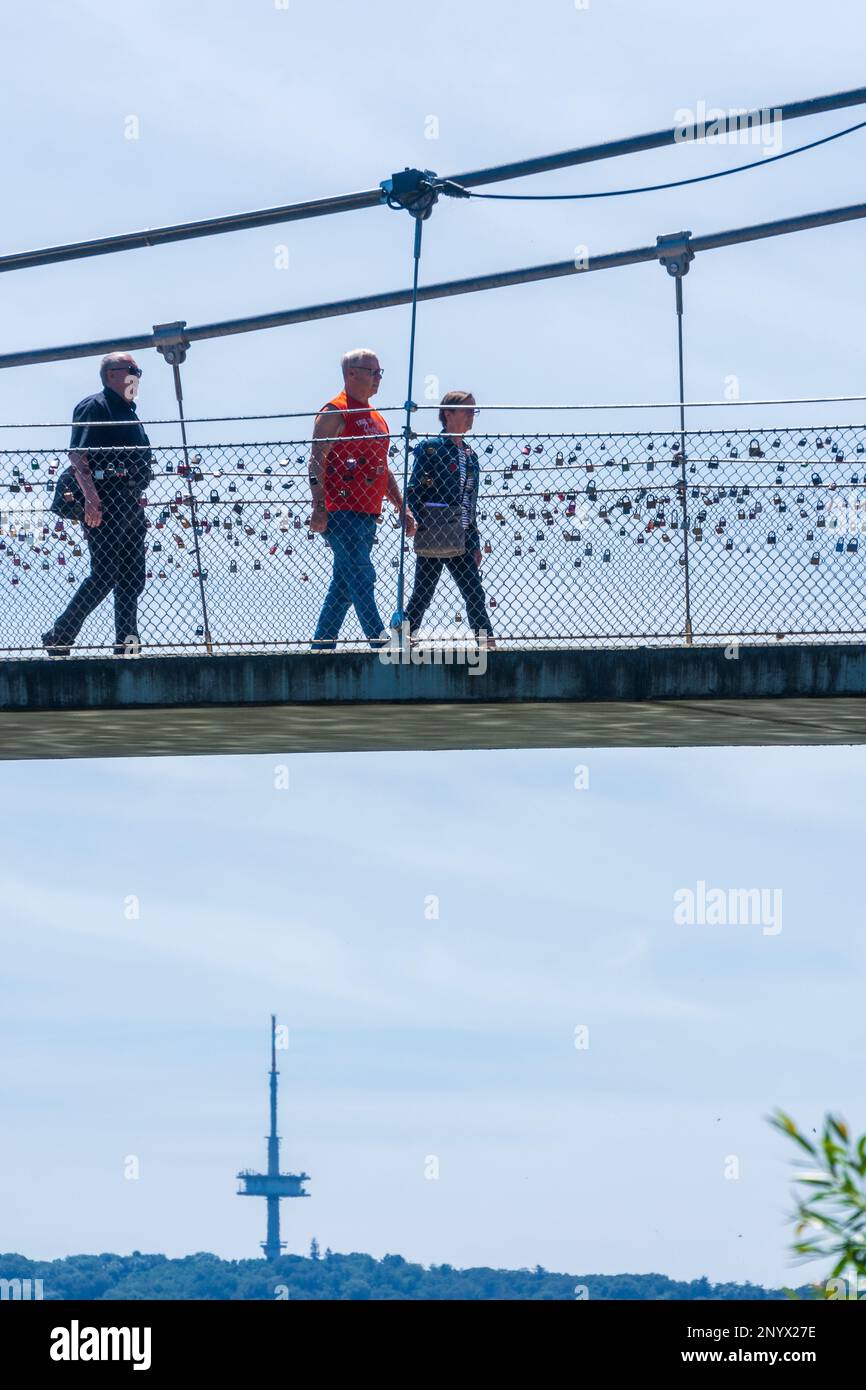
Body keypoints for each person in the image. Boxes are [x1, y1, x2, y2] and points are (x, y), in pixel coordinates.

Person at [41, 353, 152, 657]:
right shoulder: (95, 406)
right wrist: (91, 499)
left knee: (132, 577)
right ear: (113, 374)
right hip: (104, 500)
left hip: (130, 502)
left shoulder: (130, 412)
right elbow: (78, 455)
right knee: (105, 574)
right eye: (133, 370)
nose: (137, 376)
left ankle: (127, 645)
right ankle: (60, 635)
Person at [308, 348, 415, 650]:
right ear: (351, 373)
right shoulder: (335, 411)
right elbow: (317, 459)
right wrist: (319, 506)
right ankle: (380, 643)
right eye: (372, 372)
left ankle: (321, 649)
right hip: (340, 512)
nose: (378, 378)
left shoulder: (378, 419)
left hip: (368, 513)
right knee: (362, 573)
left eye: (380, 372)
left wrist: (401, 506)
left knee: (343, 587)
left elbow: (383, 469)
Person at [404, 391, 495, 647]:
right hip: (435, 530)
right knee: (423, 591)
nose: (471, 416)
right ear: (448, 413)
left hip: (463, 534)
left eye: (473, 411)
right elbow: (414, 490)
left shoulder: (471, 455)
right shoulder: (430, 449)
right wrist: (419, 519)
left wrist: (475, 542)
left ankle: (486, 642)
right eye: (467, 410)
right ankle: (405, 637)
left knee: (473, 592)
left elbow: (471, 503)